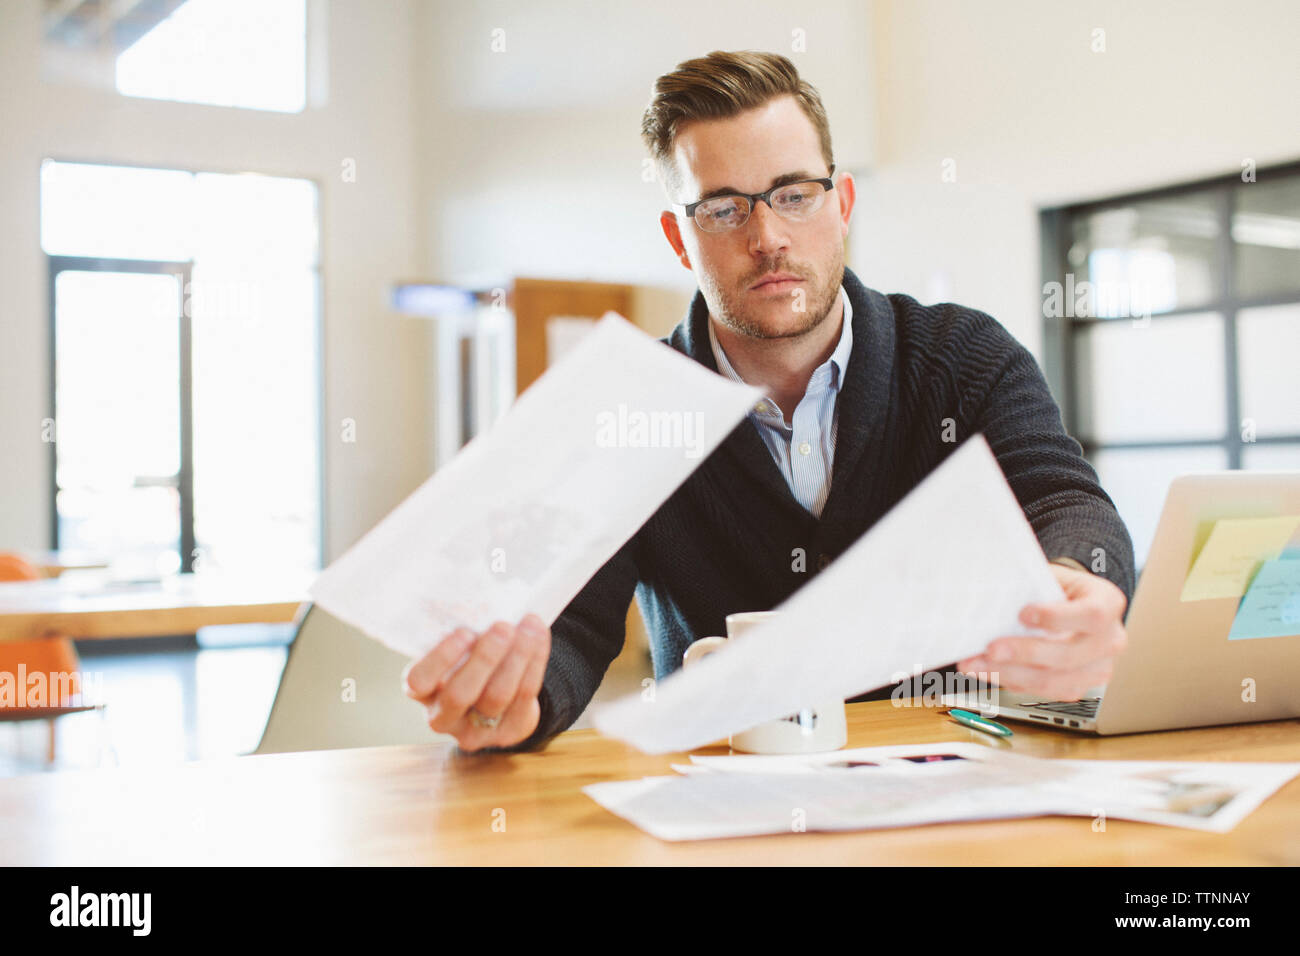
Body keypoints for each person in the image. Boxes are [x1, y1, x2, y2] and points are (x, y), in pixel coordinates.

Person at [404, 50, 1134, 753]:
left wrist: (1077, 577)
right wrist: (519, 701)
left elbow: (1061, 498)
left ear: (841, 203)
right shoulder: (630, 412)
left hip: (943, 782)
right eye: (723, 210)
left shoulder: (963, 357)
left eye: (793, 195)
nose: (768, 237)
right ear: (680, 239)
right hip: (723, 798)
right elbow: (573, 623)